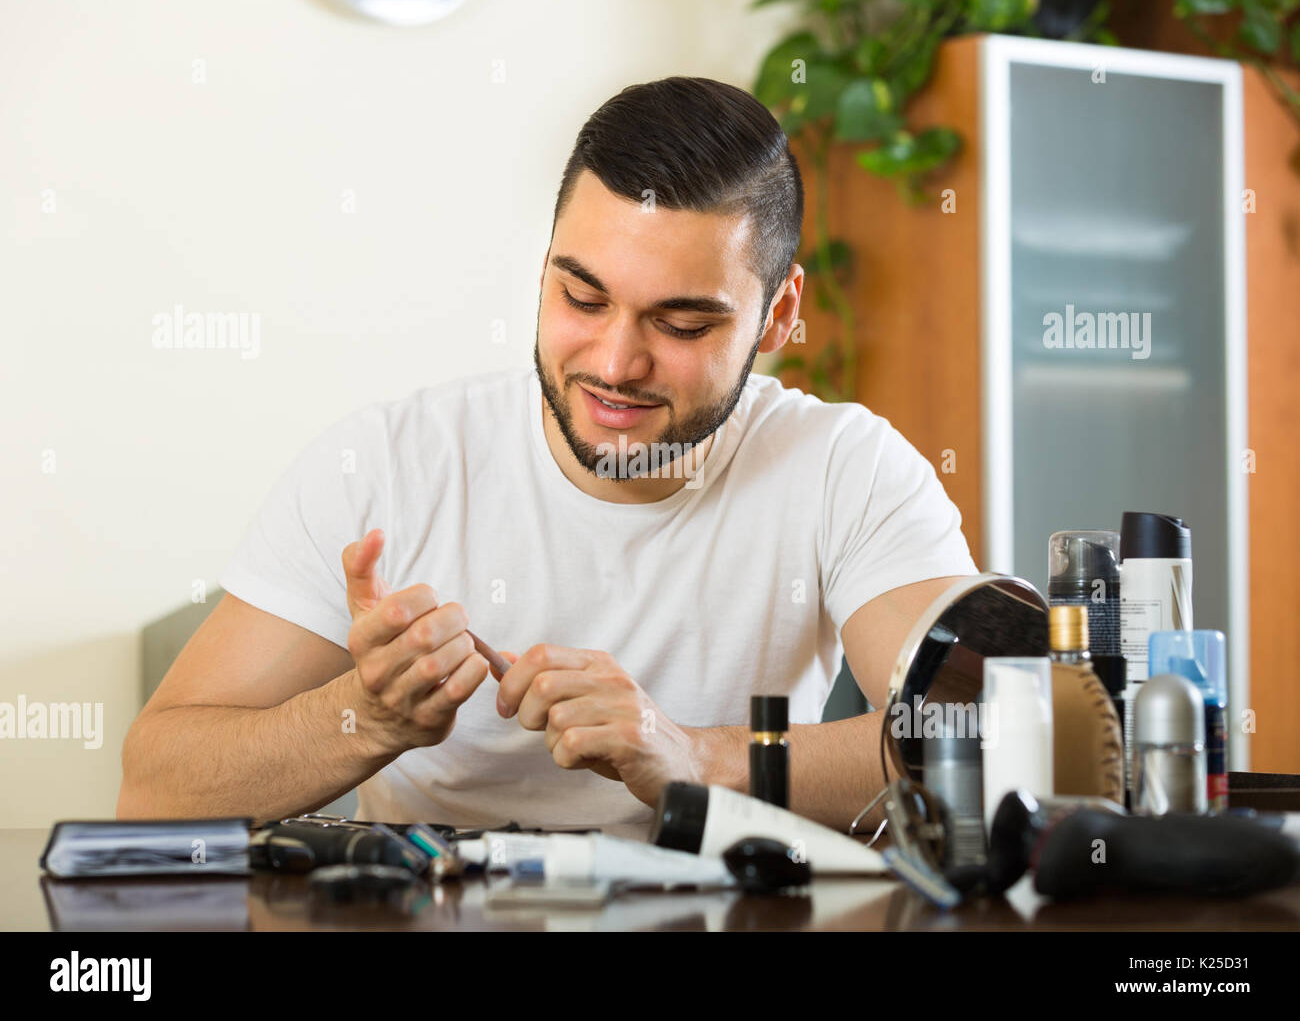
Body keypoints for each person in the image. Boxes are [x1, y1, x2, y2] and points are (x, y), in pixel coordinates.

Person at [118, 77, 977, 831]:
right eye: (583, 296)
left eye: (681, 324)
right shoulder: (383, 466)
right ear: (542, 274)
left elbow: (973, 736)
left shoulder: (843, 468)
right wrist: (364, 718)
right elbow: (152, 790)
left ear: (780, 314)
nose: (614, 364)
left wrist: (695, 758)